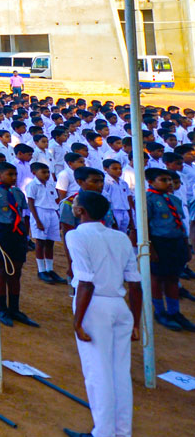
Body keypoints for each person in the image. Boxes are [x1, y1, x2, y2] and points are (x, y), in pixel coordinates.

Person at [64, 190, 141, 437]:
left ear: (80, 211)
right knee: (119, 372)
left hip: (93, 306)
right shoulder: (120, 237)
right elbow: (135, 283)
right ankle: (121, 431)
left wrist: (77, 323)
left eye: (75, 205)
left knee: (98, 373)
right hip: (120, 306)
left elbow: (86, 282)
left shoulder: (76, 235)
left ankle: (104, 433)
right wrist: (136, 322)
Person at [0, 162, 38, 328]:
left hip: (17, 233)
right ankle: (2, 309)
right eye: (9, 174)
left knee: (16, 271)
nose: (14, 177)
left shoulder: (17, 192)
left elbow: (23, 213)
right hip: (1, 232)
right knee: (2, 271)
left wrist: (25, 235)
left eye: (15, 174)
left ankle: (15, 308)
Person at [145, 168, 193, 331]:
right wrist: (150, 248)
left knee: (173, 277)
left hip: (176, 241)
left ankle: (174, 312)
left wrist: (186, 244)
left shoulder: (174, 199)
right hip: (159, 242)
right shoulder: (147, 199)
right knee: (157, 277)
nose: (169, 183)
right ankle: (160, 312)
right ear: (151, 182)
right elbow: (144, 226)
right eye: (163, 180)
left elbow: (180, 223)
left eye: (169, 180)